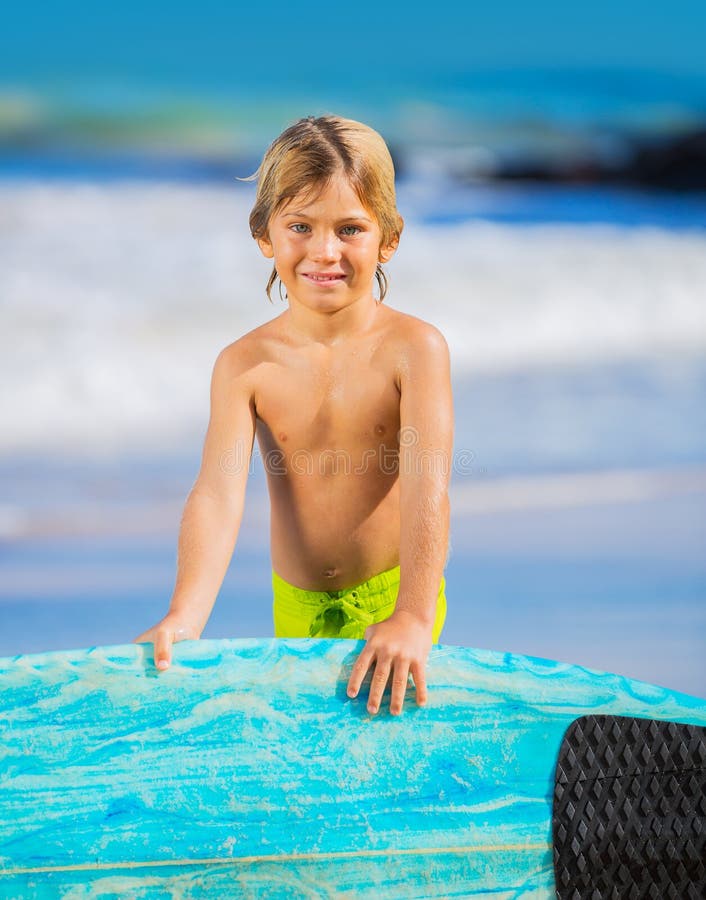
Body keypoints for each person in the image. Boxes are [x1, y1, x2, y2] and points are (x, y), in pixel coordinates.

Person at [135, 115, 453, 716]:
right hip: (297, 604)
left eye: (350, 228)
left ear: (389, 237)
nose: (324, 251)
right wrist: (186, 614)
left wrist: (411, 613)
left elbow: (427, 486)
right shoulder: (244, 366)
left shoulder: (415, 350)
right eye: (300, 226)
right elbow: (217, 495)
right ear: (265, 234)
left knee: (383, 750)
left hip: (398, 593)